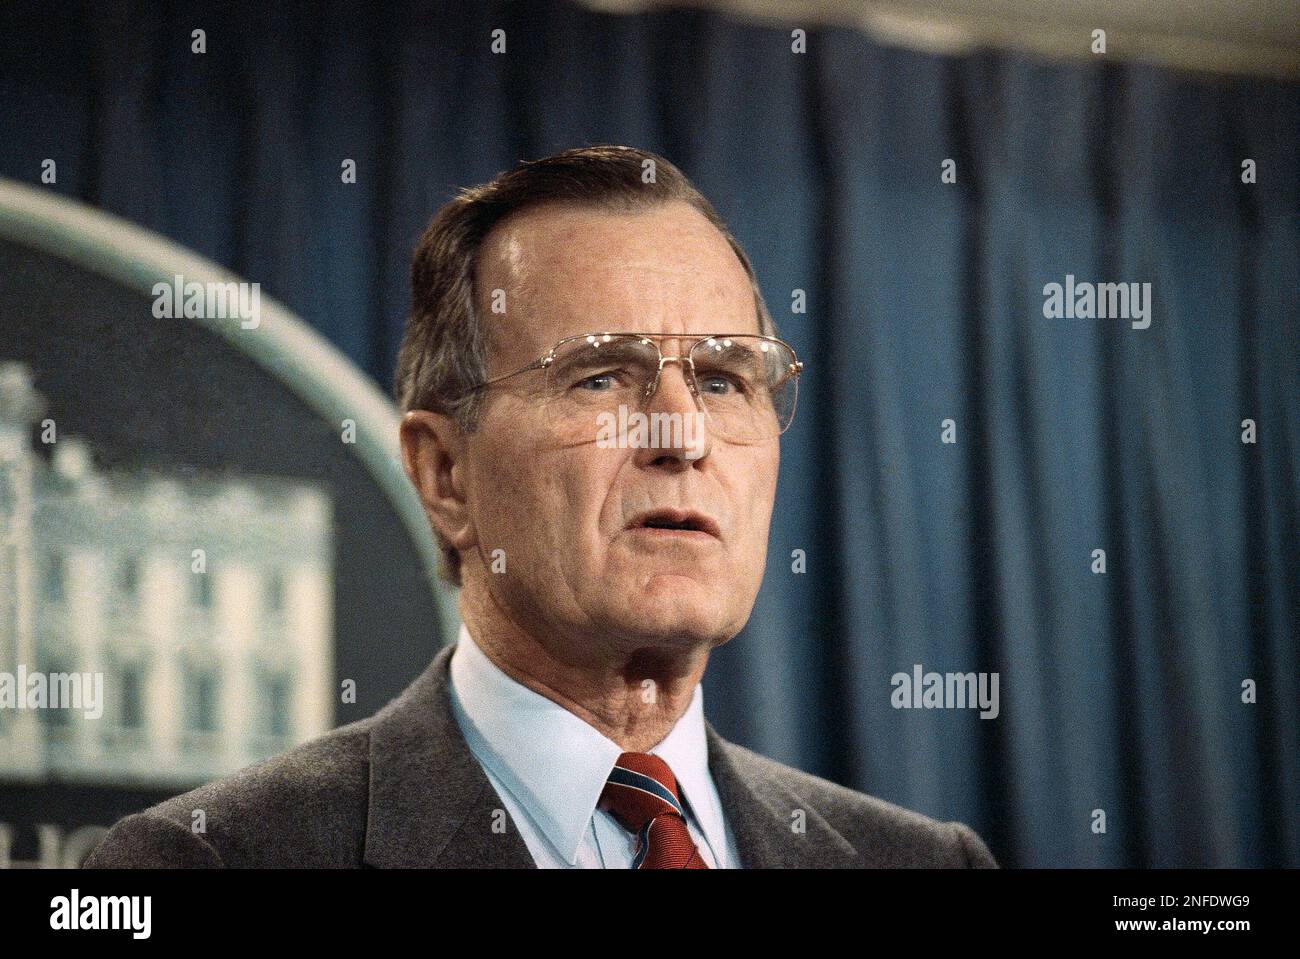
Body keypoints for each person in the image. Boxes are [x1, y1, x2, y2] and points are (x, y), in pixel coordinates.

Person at [85, 146, 997, 868]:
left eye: (723, 379)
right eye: (601, 376)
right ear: (446, 474)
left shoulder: (923, 861)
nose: (683, 436)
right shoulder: (210, 859)